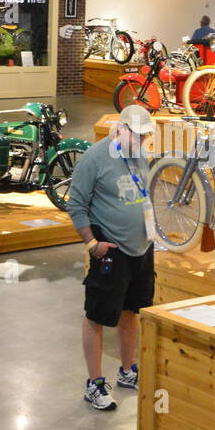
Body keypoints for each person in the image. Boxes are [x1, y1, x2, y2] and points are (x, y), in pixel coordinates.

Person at [65, 104, 158, 412]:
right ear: (121, 129)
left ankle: (127, 370)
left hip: (142, 249)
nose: (143, 142)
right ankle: (94, 384)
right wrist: (92, 243)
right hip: (111, 251)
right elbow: (76, 203)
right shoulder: (95, 158)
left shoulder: (137, 153)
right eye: (138, 135)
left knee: (131, 310)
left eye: (146, 136)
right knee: (97, 315)